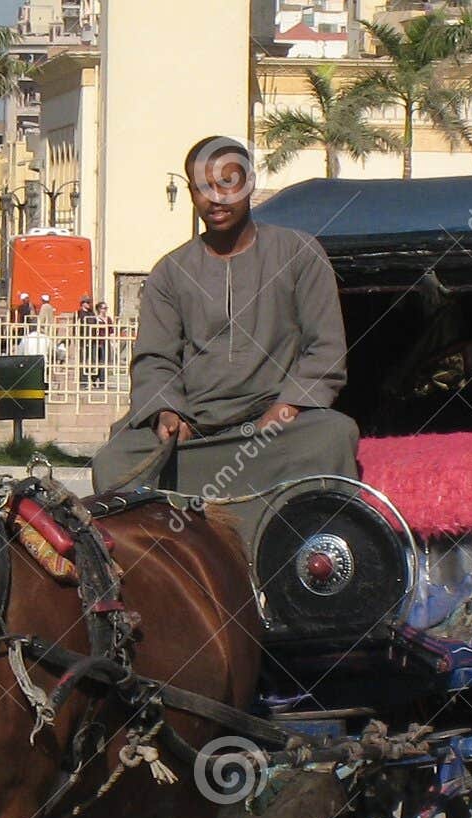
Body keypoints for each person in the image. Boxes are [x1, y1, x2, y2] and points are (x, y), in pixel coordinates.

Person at [91, 135, 359, 538]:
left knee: (332, 436)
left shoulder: (299, 254)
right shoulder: (171, 272)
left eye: (227, 183)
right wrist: (166, 410)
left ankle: (305, 561)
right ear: (190, 193)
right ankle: (163, 570)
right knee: (114, 461)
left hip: (273, 428)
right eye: (202, 188)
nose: (215, 198)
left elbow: (324, 348)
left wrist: (291, 404)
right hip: (195, 431)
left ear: (249, 183)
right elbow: (155, 360)